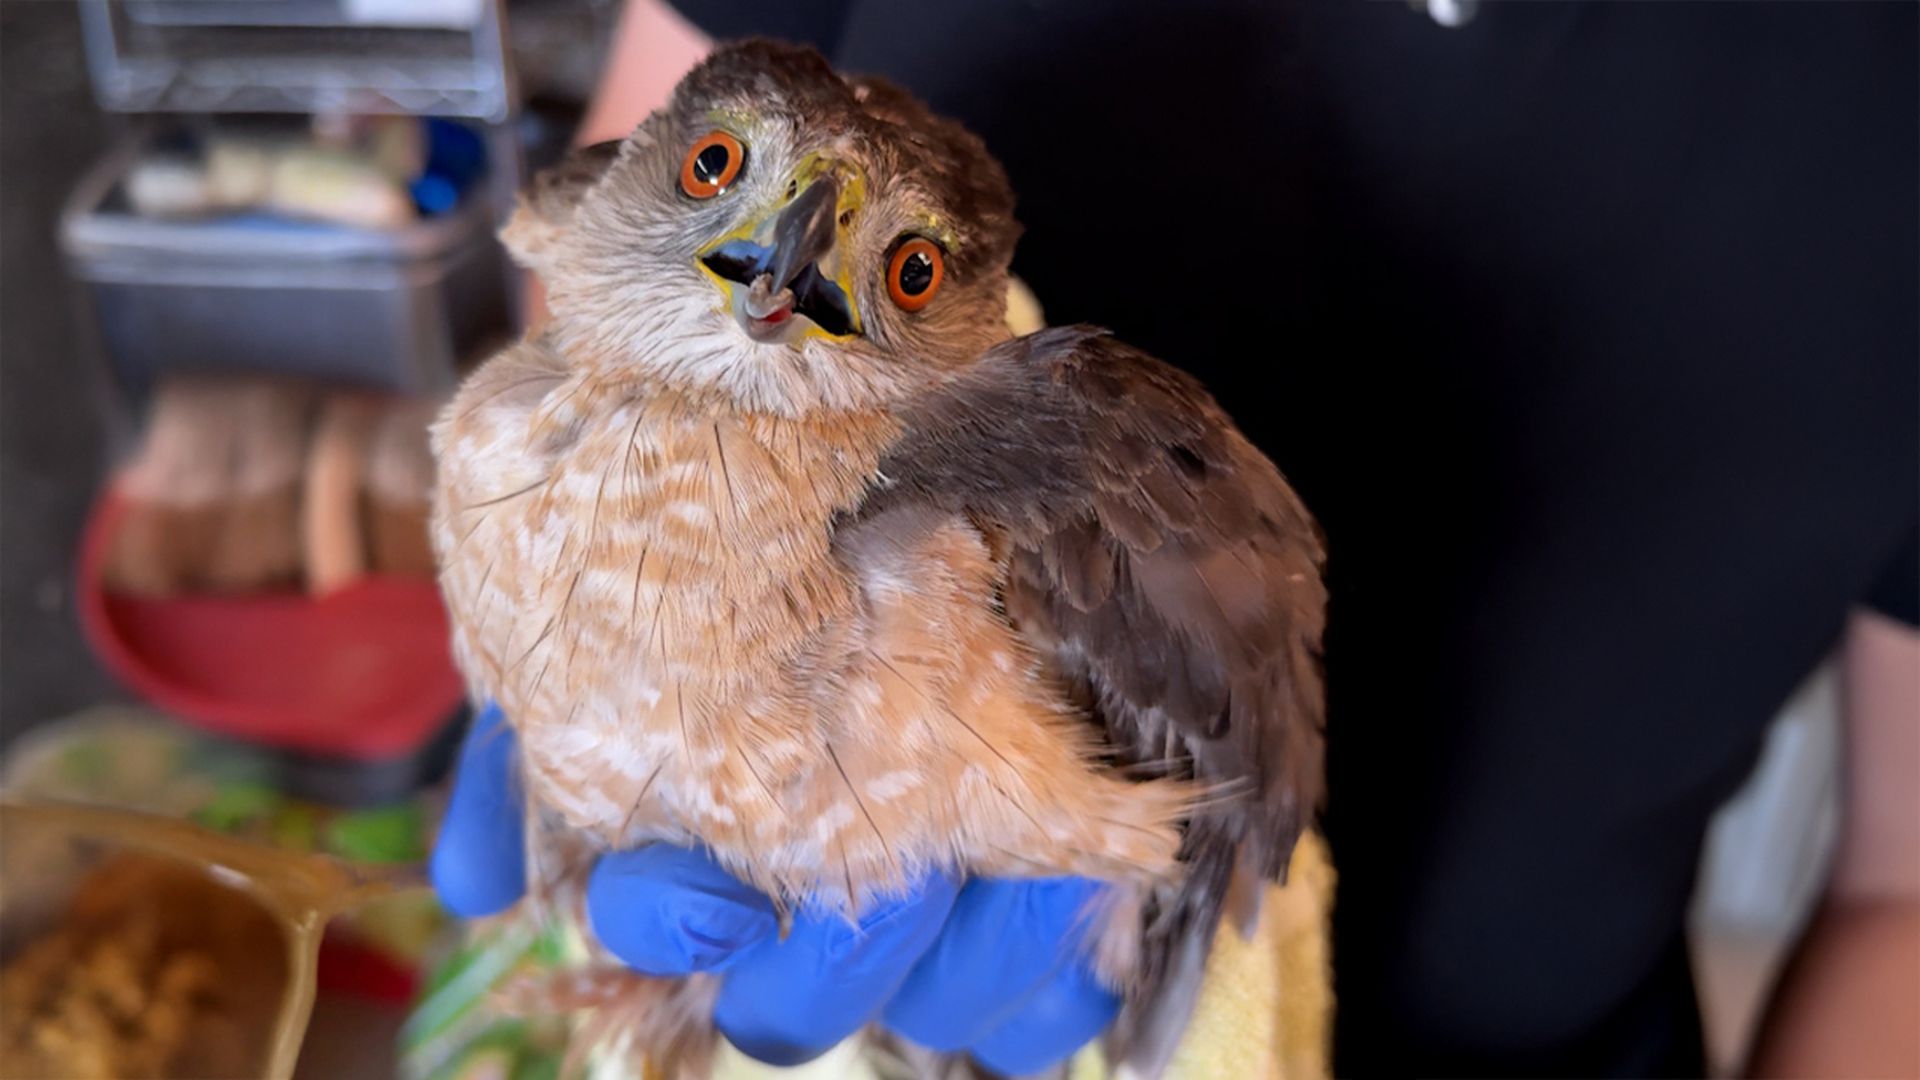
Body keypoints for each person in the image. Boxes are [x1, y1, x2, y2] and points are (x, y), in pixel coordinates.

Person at [435, 1, 1918, 1074]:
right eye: (724, 184)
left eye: (900, 264)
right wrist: (592, 622)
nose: (782, 259)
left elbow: (1903, 899)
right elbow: (605, 259)